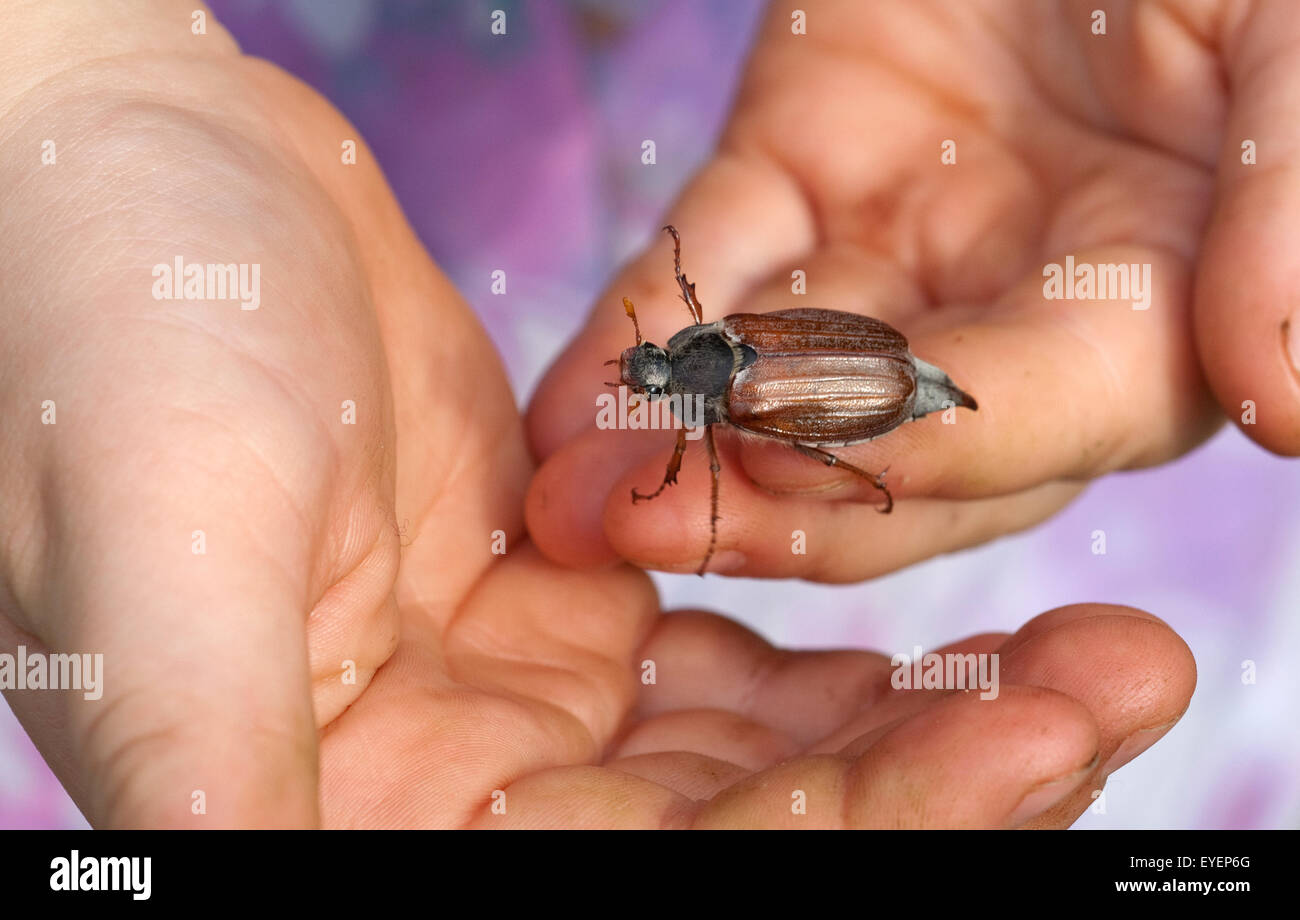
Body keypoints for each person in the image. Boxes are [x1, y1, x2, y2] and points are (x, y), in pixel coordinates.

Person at [25, 0, 1300, 827]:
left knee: (826, 456)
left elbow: (779, 391)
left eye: (649, 377)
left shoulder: (729, 372)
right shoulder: (717, 352)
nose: (640, 385)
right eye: (649, 378)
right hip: (835, 361)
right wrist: (52, 83)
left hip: (941, 351)